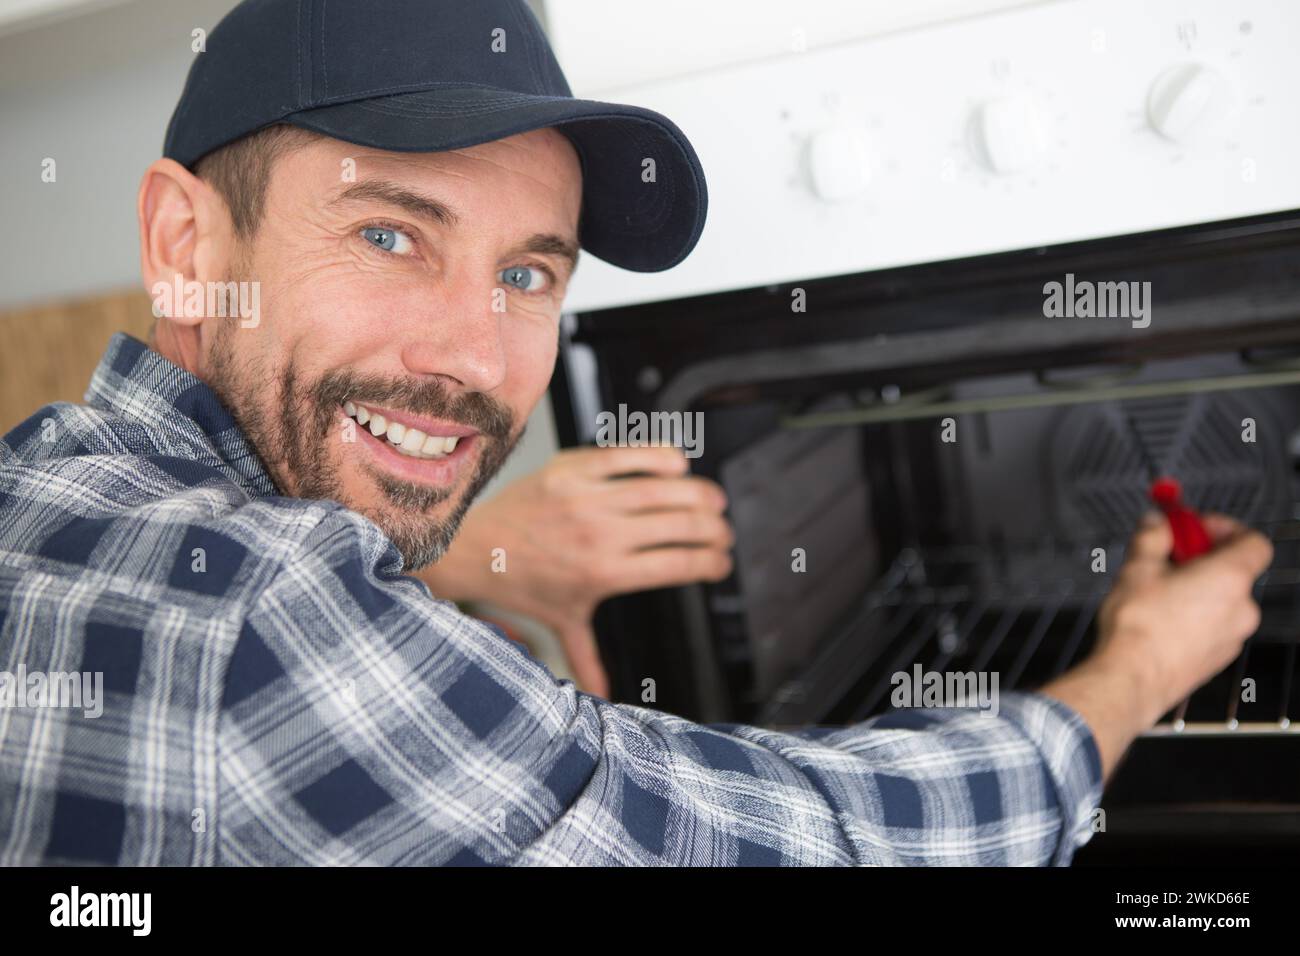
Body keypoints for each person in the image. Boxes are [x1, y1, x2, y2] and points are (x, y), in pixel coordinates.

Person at [0, 0, 1272, 866]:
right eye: (390, 234)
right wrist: (1141, 668)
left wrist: (453, 560)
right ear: (184, 244)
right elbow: (836, 847)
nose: (470, 359)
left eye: (529, 273)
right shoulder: (266, 626)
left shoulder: (48, 490)